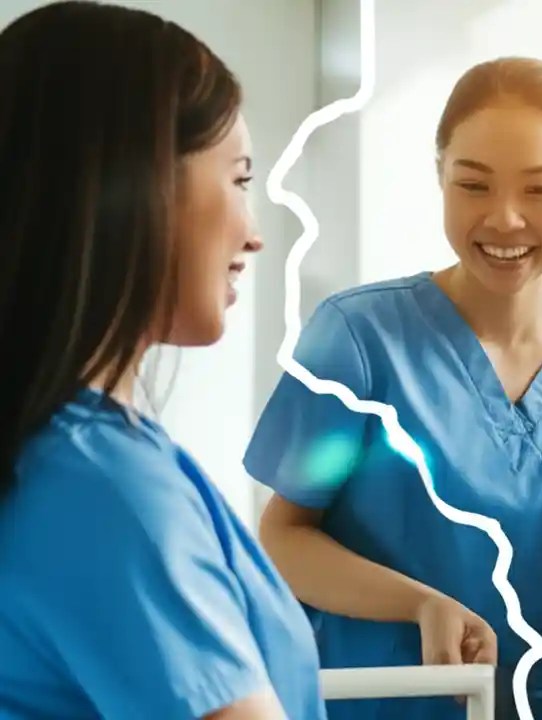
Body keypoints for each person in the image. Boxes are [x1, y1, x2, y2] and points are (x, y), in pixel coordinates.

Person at [244, 57, 542, 720]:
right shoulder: (358, 340)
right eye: (473, 185)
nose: (504, 219)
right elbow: (284, 538)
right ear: (440, 179)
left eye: (540, 190)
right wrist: (417, 601)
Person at [0, 3, 325, 719]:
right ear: (136, 185)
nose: (254, 235)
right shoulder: (100, 491)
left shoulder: (70, 457)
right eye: (240, 180)